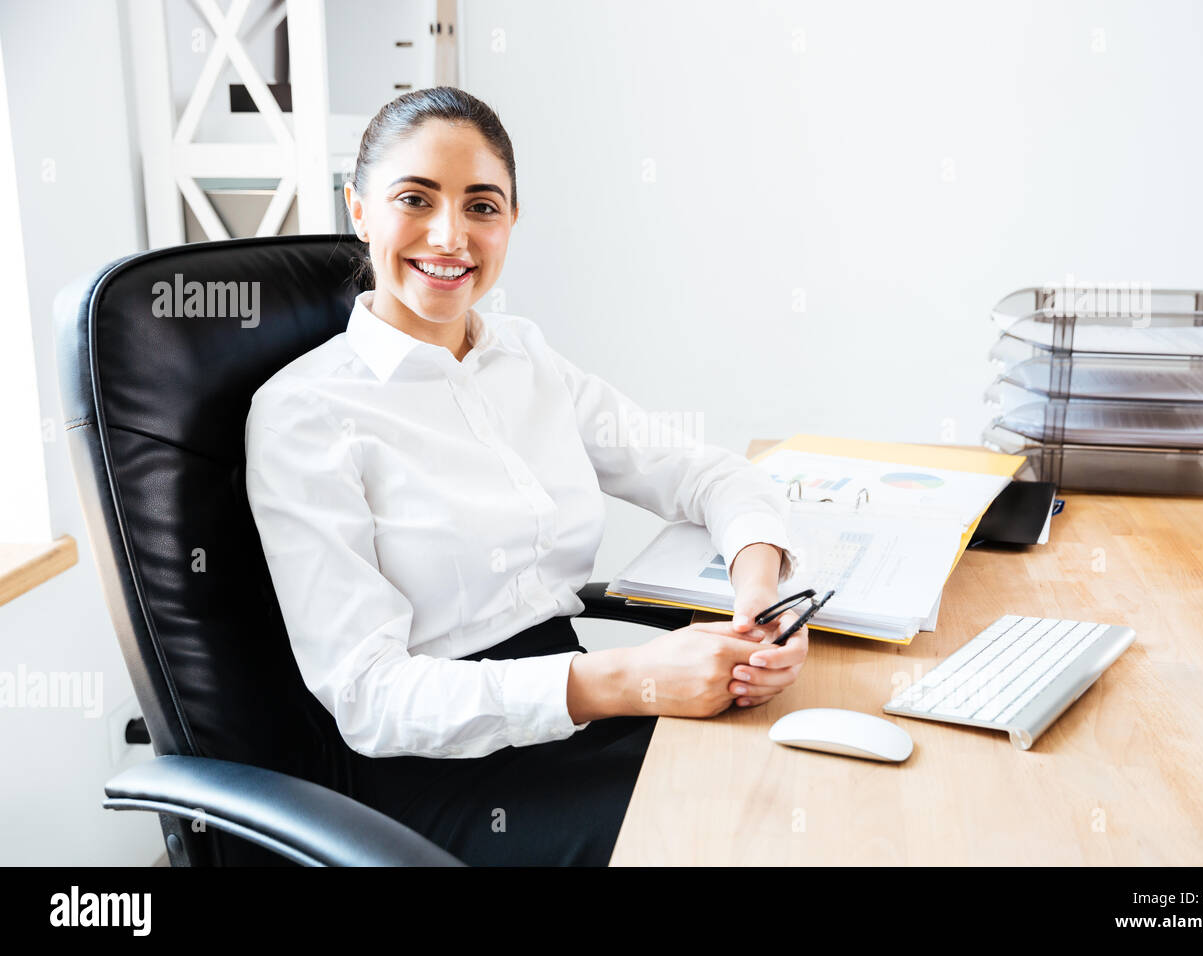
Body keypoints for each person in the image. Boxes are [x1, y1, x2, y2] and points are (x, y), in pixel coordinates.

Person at [244, 86, 809, 866]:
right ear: (360, 209)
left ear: (510, 221)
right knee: (733, 839)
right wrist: (624, 679)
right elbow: (371, 698)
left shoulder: (525, 357)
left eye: (482, 206)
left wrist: (759, 600)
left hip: (581, 713)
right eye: (415, 198)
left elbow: (707, 475)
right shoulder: (303, 414)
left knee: (802, 795)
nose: (450, 236)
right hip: (436, 777)